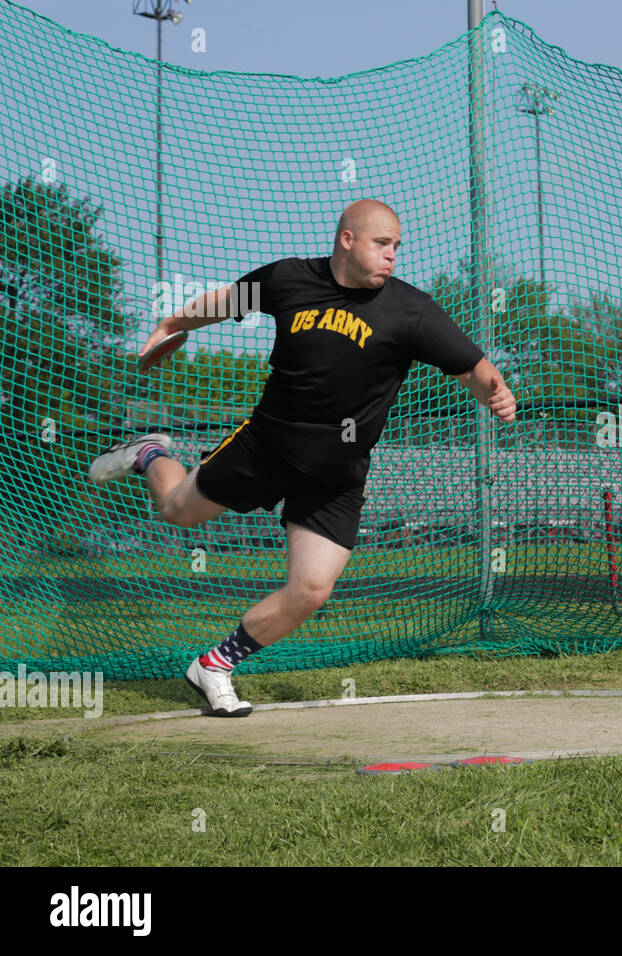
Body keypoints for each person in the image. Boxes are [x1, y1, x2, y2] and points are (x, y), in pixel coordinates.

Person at [88, 199, 516, 716]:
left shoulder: (412, 309)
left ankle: (215, 665)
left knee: (312, 589)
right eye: (383, 244)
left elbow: (471, 365)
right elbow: (223, 302)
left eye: (398, 247)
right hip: (266, 446)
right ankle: (149, 452)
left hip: (336, 475)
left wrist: (496, 392)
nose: (392, 256)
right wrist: (172, 323)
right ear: (348, 240)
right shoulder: (288, 279)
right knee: (177, 511)